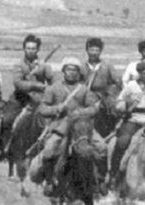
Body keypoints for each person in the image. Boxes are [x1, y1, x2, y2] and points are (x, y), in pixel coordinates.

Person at [29, 57, 107, 196]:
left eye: (75, 70)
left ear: (79, 72)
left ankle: (100, 180)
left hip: (81, 126)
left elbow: (93, 108)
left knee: (102, 147)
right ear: (63, 70)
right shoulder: (53, 89)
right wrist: (56, 109)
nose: (71, 72)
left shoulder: (83, 90)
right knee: (49, 148)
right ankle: (49, 181)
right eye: (68, 69)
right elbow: (42, 109)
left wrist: (80, 112)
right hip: (60, 125)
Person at [4, 34, 54, 158]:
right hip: (22, 99)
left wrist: (50, 89)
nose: (31, 51)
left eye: (33, 48)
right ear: (24, 49)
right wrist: (37, 85)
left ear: (38, 50)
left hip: (40, 99)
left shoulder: (44, 65)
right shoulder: (19, 65)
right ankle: (6, 147)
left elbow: (52, 80)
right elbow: (18, 83)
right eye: (28, 48)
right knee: (8, 120)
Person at [81, 37, 122, 138]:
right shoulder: (82, 67)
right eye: (92, 50)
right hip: (86, 95)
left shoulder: (107, 66)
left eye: (97, 50)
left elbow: (117, 83)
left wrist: (109, 94)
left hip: (104, 96)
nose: (94, 53)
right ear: (87, 50)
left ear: (100, 52)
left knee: (114, 109)